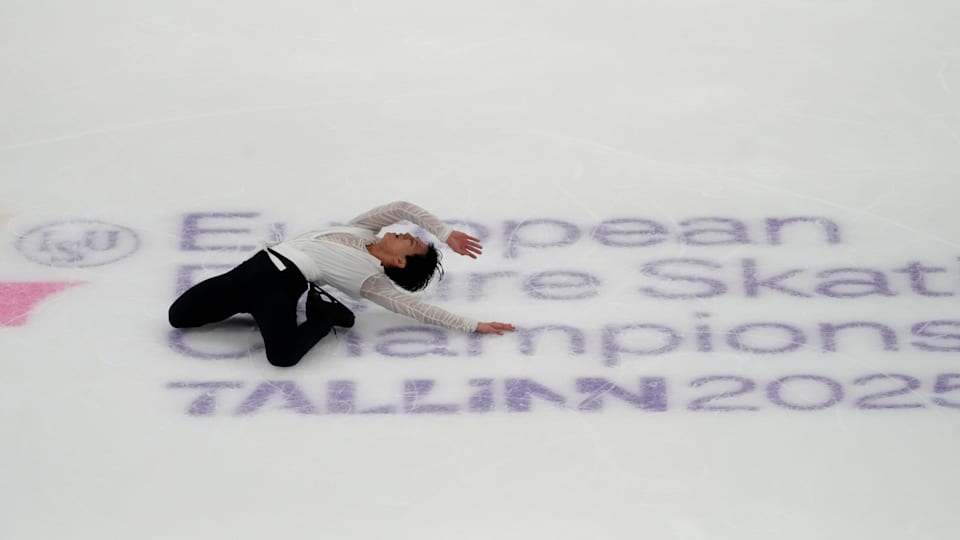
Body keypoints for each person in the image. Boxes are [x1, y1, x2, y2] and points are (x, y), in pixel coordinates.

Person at [168, 201, 516, 367]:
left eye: (410, 243)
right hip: (249, 272)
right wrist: (444, 232)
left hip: (280, 290)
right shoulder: (361, 229)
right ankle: (260, 308)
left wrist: (473, 325)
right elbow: (403, 207)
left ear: (398, 261)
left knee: (283, 357)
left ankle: (326, 316)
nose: (407, 234)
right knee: (179, 316)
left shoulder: (370, 280)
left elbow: (416, 307)